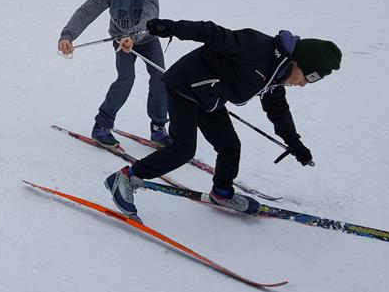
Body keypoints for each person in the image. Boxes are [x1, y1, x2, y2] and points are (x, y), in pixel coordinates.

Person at [105, 18, 341, 219]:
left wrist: (294, 142)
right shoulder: (257, 47)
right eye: (309, 76)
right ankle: (126, 178)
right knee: (183, 150)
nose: (303, 84)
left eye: (313, 80)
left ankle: (222, 193)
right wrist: (171, 28)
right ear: (299, 61)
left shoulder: (277, 74)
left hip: (210, 99)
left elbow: (277, 109)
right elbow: (211, 32)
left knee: (230, 147)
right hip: (184, 87)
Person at [58, 0, 171, 150]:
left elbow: (150, 14)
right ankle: (101, 125)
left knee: (160, 77)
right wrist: (68, 35)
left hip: (147, 39)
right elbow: (88, 10)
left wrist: (134, 35)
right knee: (126, 79)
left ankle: (158, 127)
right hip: (121, 41)